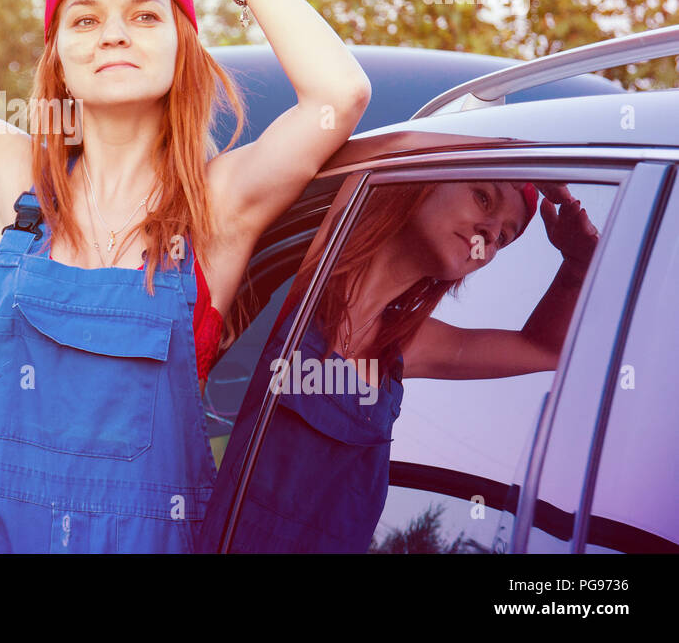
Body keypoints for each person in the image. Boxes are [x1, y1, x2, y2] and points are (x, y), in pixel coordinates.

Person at [0, 0, 372, 552]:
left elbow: (340, 93)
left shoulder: (218, 207)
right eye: (84, 19)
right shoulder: (13, 181)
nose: (113, 32)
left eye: (146, 16)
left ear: (184, 46)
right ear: (58, 56)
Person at [201, 178, 601, 552]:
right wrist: (515, 151)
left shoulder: (405, 344)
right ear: (427, 181)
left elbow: (544, 349)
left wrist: (577, 266)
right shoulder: (310, 274)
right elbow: (369, 145)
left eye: (504, 235)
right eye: (482, 196)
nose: (489, 233)